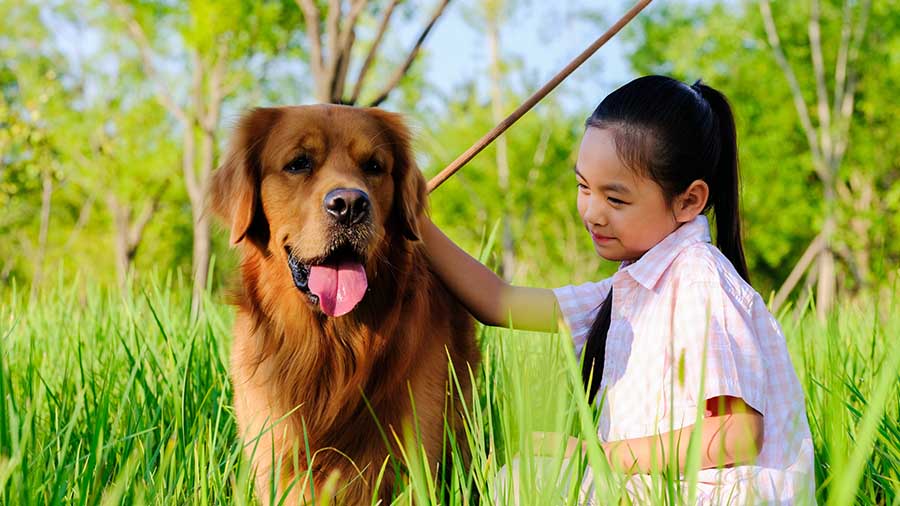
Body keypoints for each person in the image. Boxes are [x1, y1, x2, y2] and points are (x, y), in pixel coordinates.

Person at [421, 75, 815, 504]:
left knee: (530, 482)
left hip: (716, 495)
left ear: (689, 201)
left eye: (616, 199)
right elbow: (502, 303)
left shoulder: (698, 278)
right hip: (664, 490)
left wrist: (597, 455)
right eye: (583, 187)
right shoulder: (632, 288)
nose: (592, 212)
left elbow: (737, 434)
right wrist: (415, 220)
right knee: (525, 476)